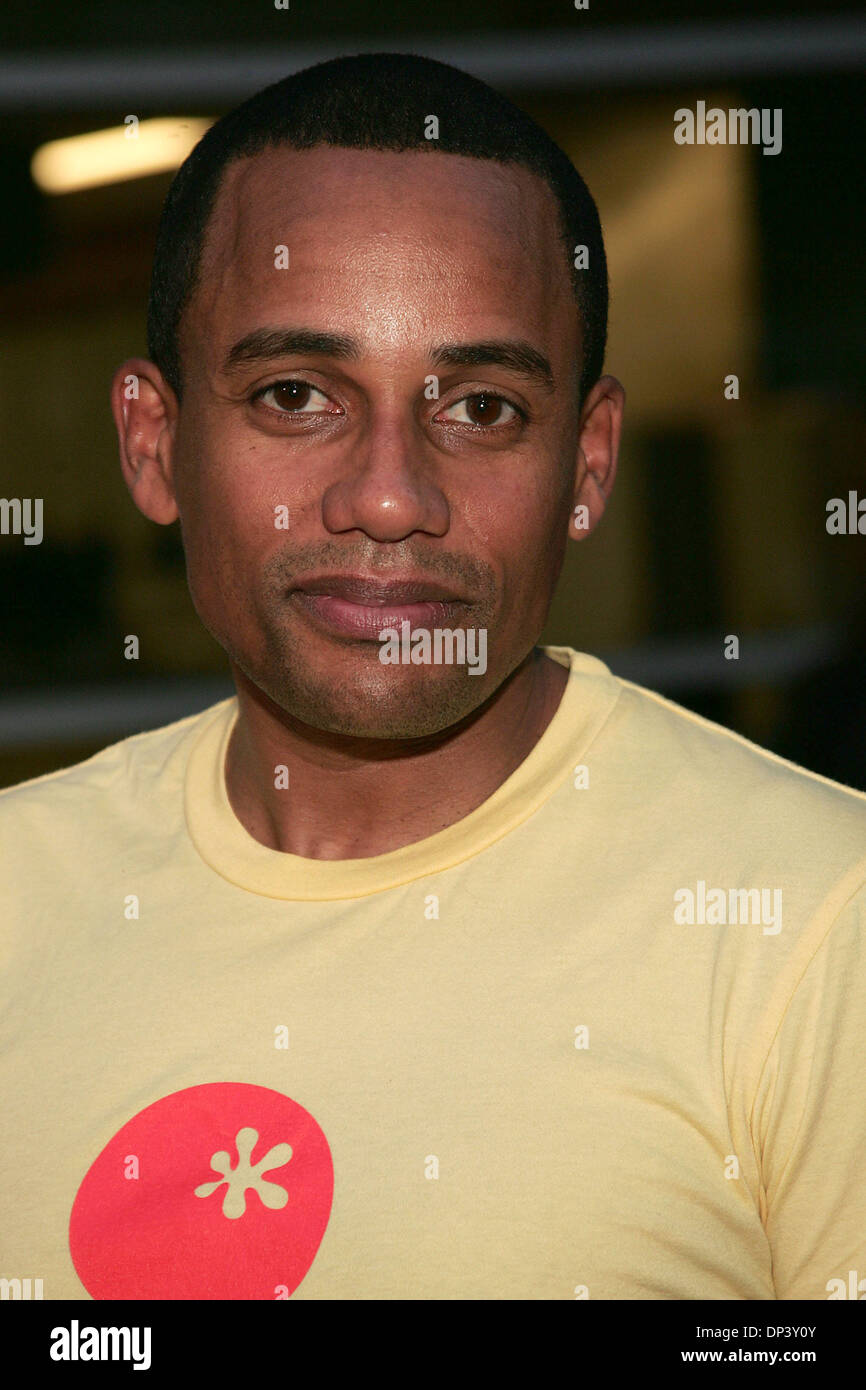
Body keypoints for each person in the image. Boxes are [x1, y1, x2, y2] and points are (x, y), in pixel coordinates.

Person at [1, 51, 864, 1303]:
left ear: (587, 462)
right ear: (155, 441)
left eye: (483, 409)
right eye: (295, 394)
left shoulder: (815, 926)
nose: (391, 494)